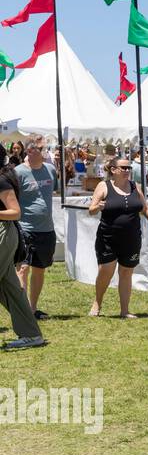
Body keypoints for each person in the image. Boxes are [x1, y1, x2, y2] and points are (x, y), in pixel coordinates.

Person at [86, 156, 148, 318]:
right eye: (124, 168)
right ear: (113, 170)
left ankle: (125, 310)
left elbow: (144, 208)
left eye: (129, 168)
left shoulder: (135, 186)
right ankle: (97, 302)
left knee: (126, 272)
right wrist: (98, 207)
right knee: (106, 270)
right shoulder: (103, 186)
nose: (127, 171)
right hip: (108, 237)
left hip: (131, 238)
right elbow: (91, 209)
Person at [0, 153, 45, 350]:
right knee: (9, 288)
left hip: (3, 233)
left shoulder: (1, 181)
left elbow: (15, 212)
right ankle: (31, 334)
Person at [14, 136, 57, 320]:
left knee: (40, 269)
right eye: (41, 148)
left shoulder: (50, 170)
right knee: (23, 268)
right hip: (25, 228)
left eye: (44, 148)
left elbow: (54, 191)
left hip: (46, 229)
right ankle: (22, 309)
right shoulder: (18, 173)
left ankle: (32, 308)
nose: (45, 151)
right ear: (30, 151)